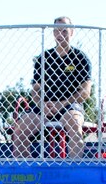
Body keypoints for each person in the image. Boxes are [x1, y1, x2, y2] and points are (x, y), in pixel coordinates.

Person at [12, 17, 91, 159]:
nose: (60, 35)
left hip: (69, 105)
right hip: (45, 105)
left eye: (64, 31)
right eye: (57, 31)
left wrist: (62, 103)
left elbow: (85, 91)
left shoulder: (80, 58)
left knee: (75, 126)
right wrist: (41, 104)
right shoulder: (44, 57)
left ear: (72, 32)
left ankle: (73, 173)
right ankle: (28, 175)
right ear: (53, 33)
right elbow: (35, 90)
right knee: (20, 129)